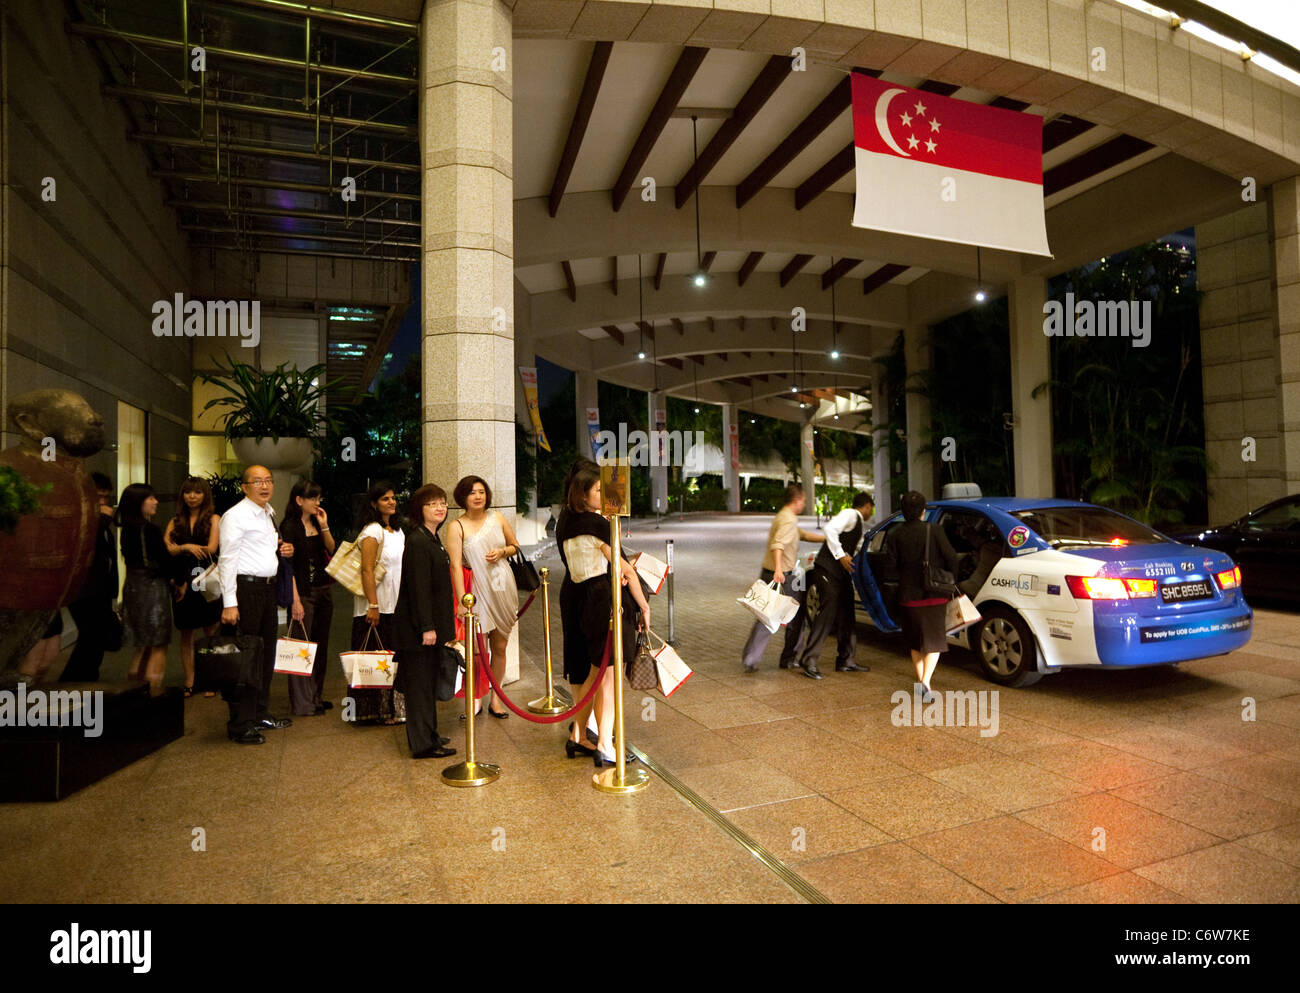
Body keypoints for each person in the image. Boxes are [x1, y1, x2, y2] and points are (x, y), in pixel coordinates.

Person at [555, 463, 650, 767]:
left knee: (593, 674)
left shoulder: (566, 521)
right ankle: (606, 746)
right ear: (583, 494)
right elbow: (624, 569)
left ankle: (579, 735)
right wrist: (644, 606)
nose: (605, 493)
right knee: (607, 677)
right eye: (599, 490)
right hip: (603, 601)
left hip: (578, 597)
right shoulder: (598, 525)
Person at [217, 465, 295, 744]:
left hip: (267, 590)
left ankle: (260, 712)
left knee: (265, 655)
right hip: (245, 591)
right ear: (244, 486)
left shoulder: (268, 512)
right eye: (257, 481)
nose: (265, 486)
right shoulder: (235, 516)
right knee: (246, 658)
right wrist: (229, 602)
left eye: (268, 481)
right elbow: (227, 560)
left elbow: (264, 550)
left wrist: (284, 549)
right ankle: (240, 723)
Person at [446, 475, 522, 720]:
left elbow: (515, 546)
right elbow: (456, 566)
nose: (478, 496)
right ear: (463, 498)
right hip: (476, 593)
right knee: (478, 651)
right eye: (472, 493)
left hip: (503, 587)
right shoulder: (456, 526)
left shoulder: (497, 518)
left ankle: (496, 699)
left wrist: (502, 551)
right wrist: (461, 600)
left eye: (481, 492)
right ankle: (475, 698)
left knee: (500, 646)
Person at [392, 484, 457, 759]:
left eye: (442, 503)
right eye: (432, 504)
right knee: (419, 688)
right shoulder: (418, 541)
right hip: (417, 631)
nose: (440, 507)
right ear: (420, 509)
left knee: (427, 685)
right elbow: (419, 589)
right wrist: (427, 627)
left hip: (429, 627)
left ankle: (430, 734)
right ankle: (422, 744)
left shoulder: (431, 537)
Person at [886, 490, 961, 703]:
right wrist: (952, 578)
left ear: (903, 512)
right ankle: (925, 682)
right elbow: (951, 557)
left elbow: (891, 568)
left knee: (915, 642)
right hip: (934, 594)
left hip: (908, 596)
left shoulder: (894, 534)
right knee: (934, 642)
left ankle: (922, 682)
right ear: (923, 511)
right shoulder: (934, 530)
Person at [740, 483, 824, 673]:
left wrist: (826, 538)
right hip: (782, 576)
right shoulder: (787, 520)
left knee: (768, 616)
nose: (803, 504)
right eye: (803, 500)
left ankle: (752, 658)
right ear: (797, 500)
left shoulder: (785, 517)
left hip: (778, 573)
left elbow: (802, 535)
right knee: (791, 617)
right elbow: (778, 544)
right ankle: (786, 658)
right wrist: (779, 570)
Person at [794, 492, 874, 678]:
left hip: (840, 573)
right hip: (827, 569)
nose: (872, 512)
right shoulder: (850, 514)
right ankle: (809, 660)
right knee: (827, 614)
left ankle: (846, 660)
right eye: (872, 508)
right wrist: (841, 555)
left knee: (848, 613)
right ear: (867, 505)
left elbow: (858, 545)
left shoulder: (859, 523)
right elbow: (829, 529)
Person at [350, 480, 406, 725]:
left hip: (396, 604)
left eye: (393, 497)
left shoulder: (398, 530)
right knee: (376, 659)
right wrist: (373, 605)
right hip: (377, 605)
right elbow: (367, 570)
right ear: (374, 504)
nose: (391, 502)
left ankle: (392, 709)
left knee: (392, 658)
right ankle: (375, 711)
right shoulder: (372, 531)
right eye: (385, 499)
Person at [279, 481, 336, 717]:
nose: (317, 502)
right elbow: (287, 566)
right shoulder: (289, 527)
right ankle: (302, 703)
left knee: (320, 647)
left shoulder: (316, 522)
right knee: (301, 647)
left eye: (319, 498)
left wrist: (324, 526)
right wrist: (295, 600)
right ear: (299, 500)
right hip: (303, 591)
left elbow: (332, 550)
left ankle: (315, 696)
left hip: (323, 590)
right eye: (312, 498)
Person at [164, 476, 222, 697]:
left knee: (209, 631)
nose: (192, 496)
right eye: (188, 492)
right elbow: (167, 548)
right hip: (181, 580)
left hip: (206, 579)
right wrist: (186, 547)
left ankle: (209, 678)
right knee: (186, 633)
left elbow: (212, 547)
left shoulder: (214, 519)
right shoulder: (175, 520)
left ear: (205, 495)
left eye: (197, 492)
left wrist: (181, 547)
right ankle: (190, 679)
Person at [60, 471, 118, 683]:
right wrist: (102, 518)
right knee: (89, 637)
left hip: (101, 591)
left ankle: (88, 680)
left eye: (106, 496)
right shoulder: (80, 518)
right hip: (83, 591)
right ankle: (69, 683)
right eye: (99, 495)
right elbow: (83, 544)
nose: (103, 501)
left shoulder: (104, 524)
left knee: (97, 638)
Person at [118, 483, 172, 695]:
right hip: (152, 588)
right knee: (158, 644)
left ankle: (133, 694)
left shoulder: (125, 529)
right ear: (138, 503)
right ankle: (153, 694)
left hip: (132, 586)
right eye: (150, 498)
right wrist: (178, 580)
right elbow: (165, 561)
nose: (156, 501)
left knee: (140, 645)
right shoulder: (149, 529)